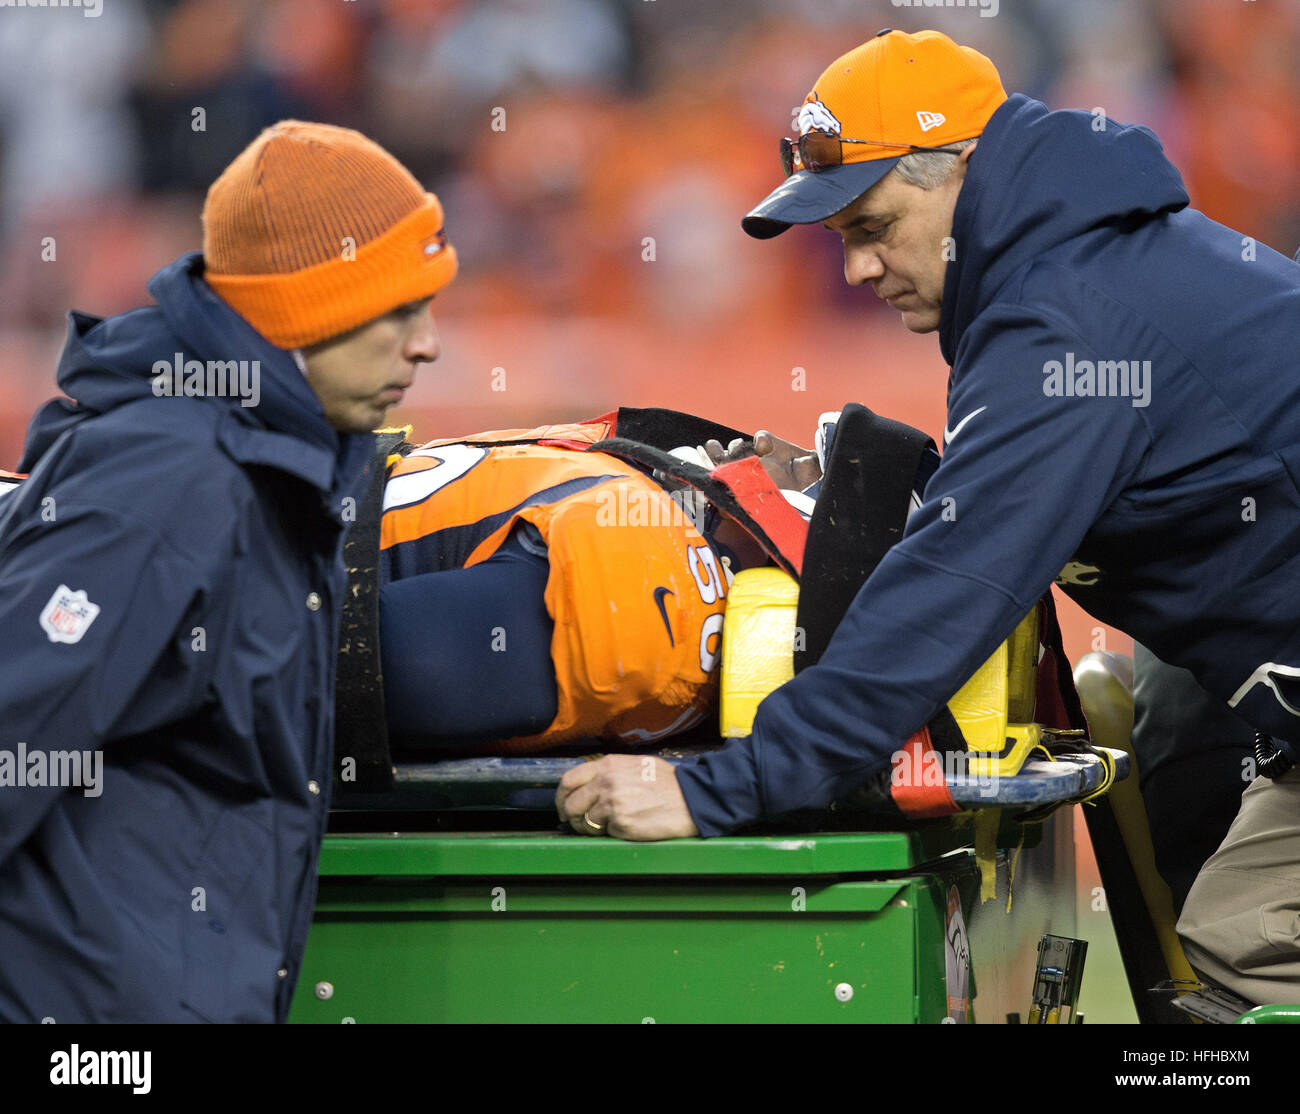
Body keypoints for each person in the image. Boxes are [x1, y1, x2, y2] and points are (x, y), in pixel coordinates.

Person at [556, 28, 1300, 1006]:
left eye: (871, 225)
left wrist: (721, 789)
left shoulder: (1060, 315)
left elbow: (953, 588)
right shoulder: (1080, 265)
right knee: (1168, 753)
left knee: (1243, 961)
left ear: (961, 170)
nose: (858, 269)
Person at [0, 121, 457, 1022]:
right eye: (400, 308)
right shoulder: (173, 480)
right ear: (307, 308)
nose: (428, 343)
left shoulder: (268, 463)